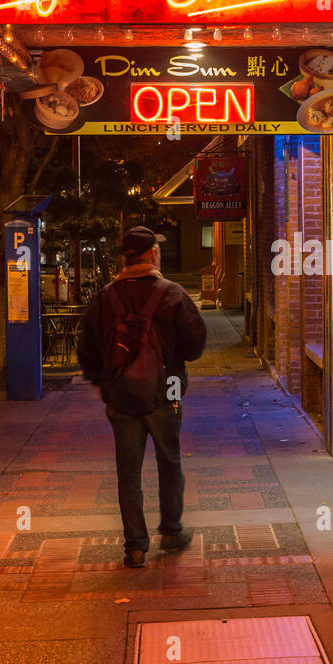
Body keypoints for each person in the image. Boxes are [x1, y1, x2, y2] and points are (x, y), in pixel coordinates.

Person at [77, 226, 207, 569]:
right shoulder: (173, 294)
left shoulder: (105, 298)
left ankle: (135, 546)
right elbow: (195, 347)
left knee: (128, 474)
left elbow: (86, 351)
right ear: (151, 254)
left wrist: (106, 384)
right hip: (169, 392)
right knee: (170, 462)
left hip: (121, 399)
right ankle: (171, 530)